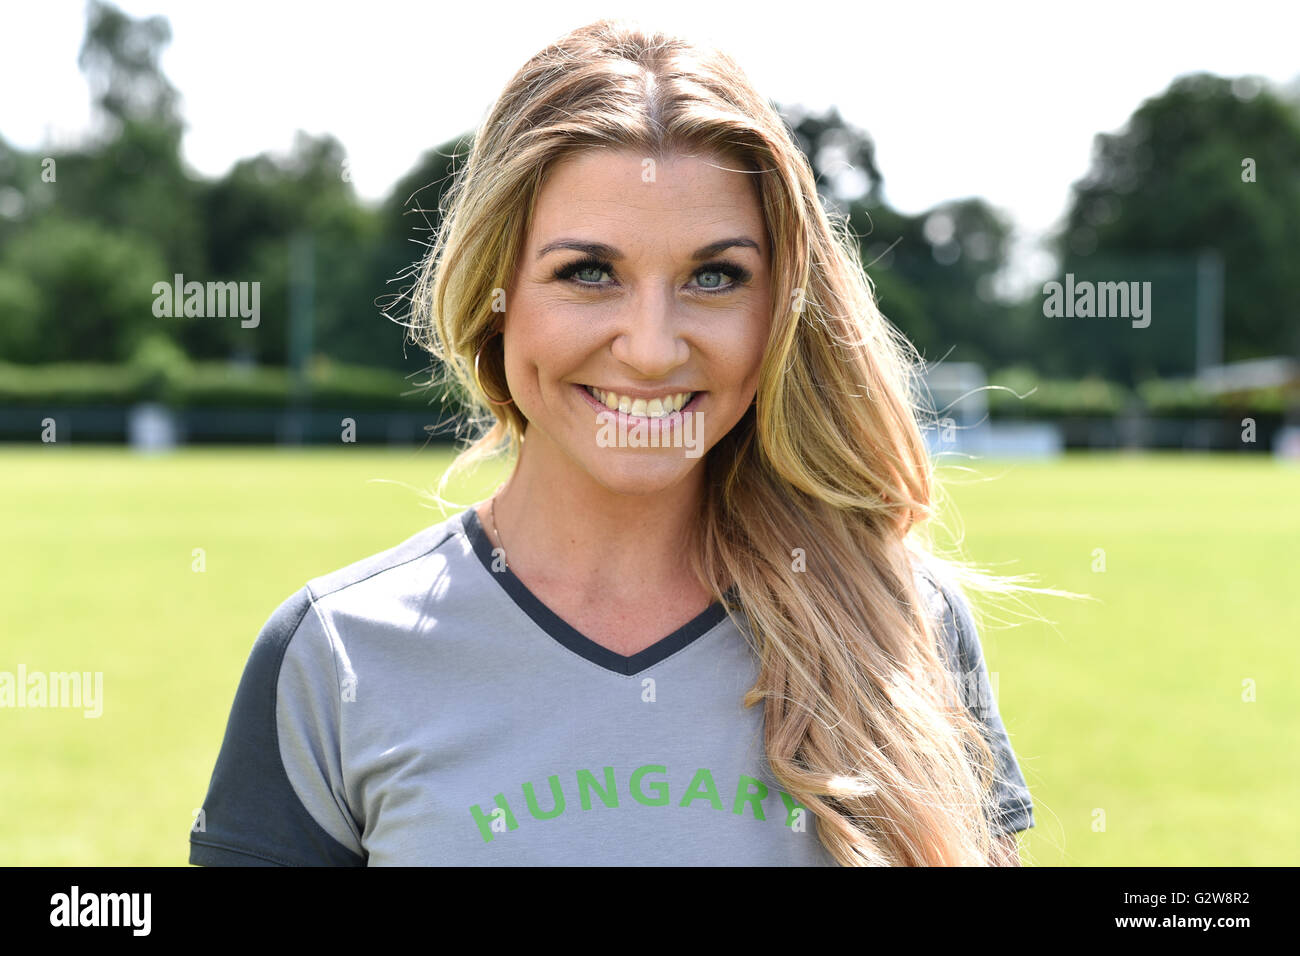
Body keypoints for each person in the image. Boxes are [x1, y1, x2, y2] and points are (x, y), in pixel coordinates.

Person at [189, 17, 1035, 867]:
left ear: (779, 307)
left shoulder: (905, 623)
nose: (653, 346)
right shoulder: (336, 653)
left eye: (715, 277)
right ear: (495, 291)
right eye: (588, 273)